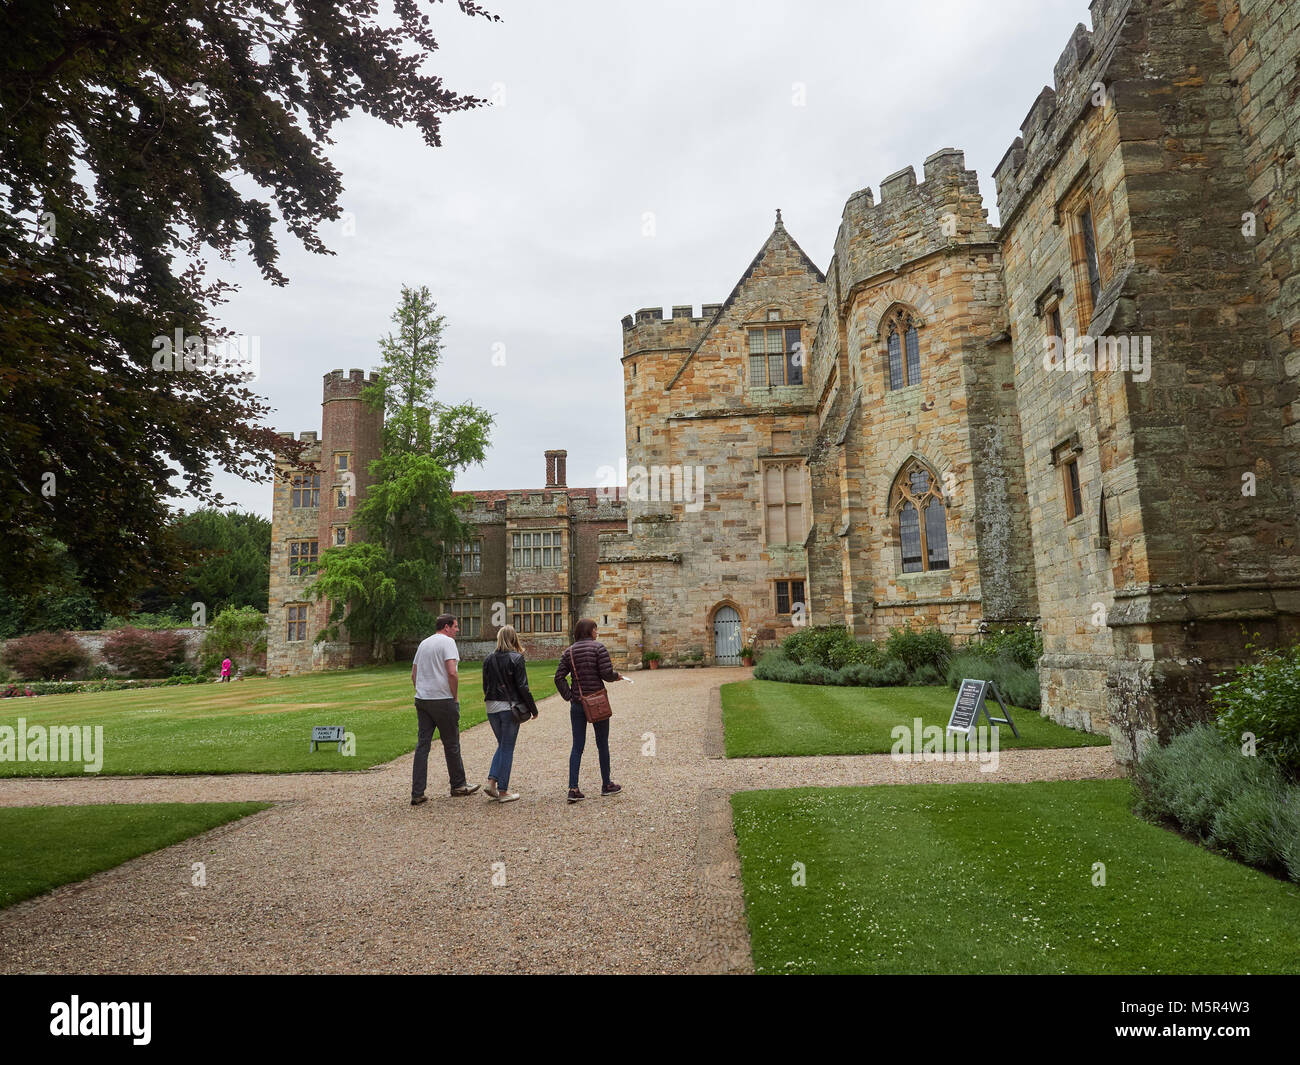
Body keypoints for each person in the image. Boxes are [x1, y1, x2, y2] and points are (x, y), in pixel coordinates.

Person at [410, 613, 480, 805]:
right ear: (447, 627)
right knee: (451, 744)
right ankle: (458, 785)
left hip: (422, 699)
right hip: (443, 699)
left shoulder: (424, 643)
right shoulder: (448, 643)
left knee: (422, 745)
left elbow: (414, 674)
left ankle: (417, 792)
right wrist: (455, 696)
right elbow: (452, 672)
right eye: (456, 626)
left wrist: (423, 690)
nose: (457, 630)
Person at [555, 618, 625, 803]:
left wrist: (569, 696)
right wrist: (616, 676)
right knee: (602, 744)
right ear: (590, 631)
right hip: (597, 700)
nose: (597, 633)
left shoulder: (568, 652)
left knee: (577, 746)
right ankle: (606, 784)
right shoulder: (598, 648)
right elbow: (606, 674)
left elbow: (558, 677)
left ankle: (573, 788)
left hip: (578, 702)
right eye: (596, 630)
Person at [481, 625, 539, 804]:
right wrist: (533, 709)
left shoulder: (488, 659)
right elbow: (523, 687)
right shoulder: (516, 658)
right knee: (507, 747)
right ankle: (503, 791)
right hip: (509, 707)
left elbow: (485, 685)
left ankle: (492, 782)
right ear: (514, 639)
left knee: (502, 745)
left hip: (491, 707)